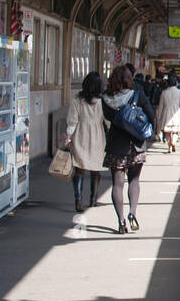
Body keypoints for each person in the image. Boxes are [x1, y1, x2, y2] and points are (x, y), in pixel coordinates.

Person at [101, 66, 154, 234]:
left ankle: (121, 221)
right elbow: (151, 115)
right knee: (134, 181)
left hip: (116, 145)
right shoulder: (137, 96)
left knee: (117, 184)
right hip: (136, 146)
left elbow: (108, 119)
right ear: (129, 79)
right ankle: (132, 213)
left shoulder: (106, 99)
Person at [65, 71, 106, 213]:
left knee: (79, 169)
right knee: (96, 169)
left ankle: (78, 200)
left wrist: (68, 137)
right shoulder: (103, 101)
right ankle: (93, 199)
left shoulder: (77, 100)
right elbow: (108, 122)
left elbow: (72, 121)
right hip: (98, 137)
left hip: (80, 136)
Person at [156, 74, 180, 153]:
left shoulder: (164, 92)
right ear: (175, 83)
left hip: (166, 115)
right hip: (177, 114)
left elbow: (161, 106)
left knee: (167, 132)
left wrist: (159, 117)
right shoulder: (179, 92)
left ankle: (169, 147)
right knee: (176, 131)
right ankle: (174, 142)